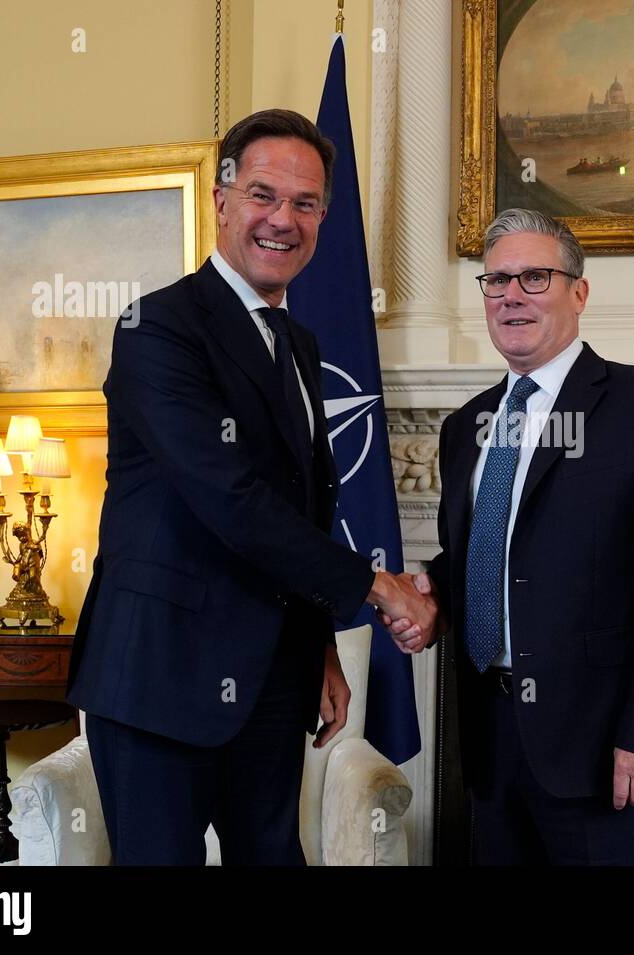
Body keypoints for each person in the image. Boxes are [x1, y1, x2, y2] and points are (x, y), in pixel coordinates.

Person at [67, 109, 435, 865]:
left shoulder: (299, 342)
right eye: (264, 194)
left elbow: (299, 509)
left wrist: (319, 653)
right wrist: (377, 587)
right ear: (222, 198)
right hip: (158, 679)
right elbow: (229, 497)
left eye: (305, 204)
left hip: (268, 682)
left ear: (324, 218)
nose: (283, 220)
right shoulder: (156, 327)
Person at [383, 208, 634, 864]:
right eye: (497, 280)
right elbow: (487, 555)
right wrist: (431, 601)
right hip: (492, 741)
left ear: (578, 292)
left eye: (535, 277)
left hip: (606, 749)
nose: (512, 294)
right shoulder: (466, 426)